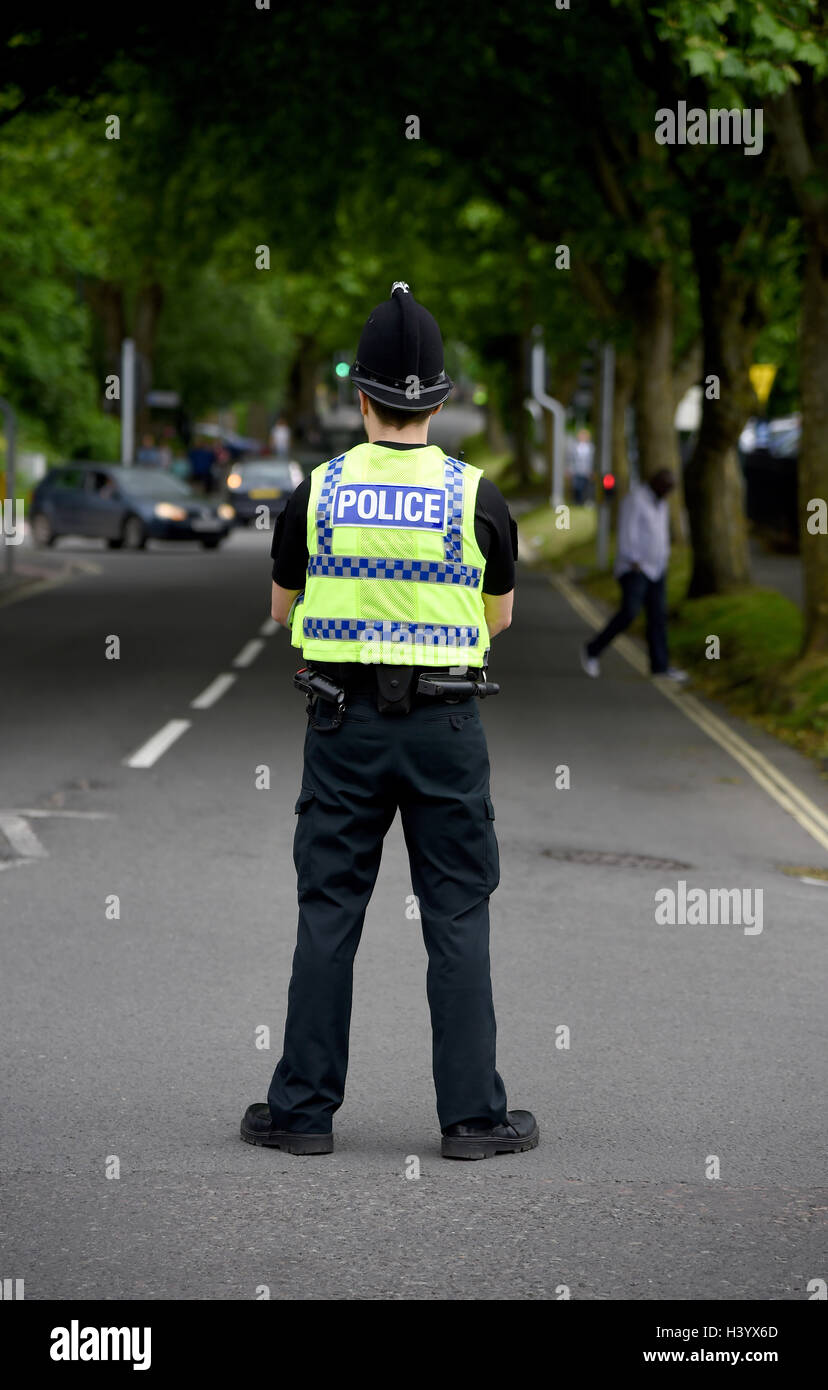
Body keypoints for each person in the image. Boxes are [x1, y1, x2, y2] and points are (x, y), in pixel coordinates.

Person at [241, 282, 538, 1161]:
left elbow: (282, 609)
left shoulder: (315, 493)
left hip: (342, 728)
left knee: (329, 909)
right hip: (448, 727)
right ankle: (473, 1121)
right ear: (438, 401)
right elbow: (500, 619)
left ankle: (300, 1113)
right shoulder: (476, 498)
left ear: (361, 398)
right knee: (456, 912)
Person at [580, 468, 687, 682]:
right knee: (629, 612)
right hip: (635, 568)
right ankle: (592, 650)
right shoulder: (636, 500)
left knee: (657, 617)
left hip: (657, 569)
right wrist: (634, 559)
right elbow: (626, 533)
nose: (668, 493)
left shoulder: (662, 502)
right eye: (666, 487)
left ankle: (660, 666)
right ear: (655, 483)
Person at [570, 428, 594, 506]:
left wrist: (591, 470)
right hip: (577, 470)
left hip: (587, 471)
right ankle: (577, 502)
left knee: (586, 486)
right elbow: (571, 459)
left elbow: (592, 460)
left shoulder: (591, 447)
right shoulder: (575, 446)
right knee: (577, 486)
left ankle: (586, 501)